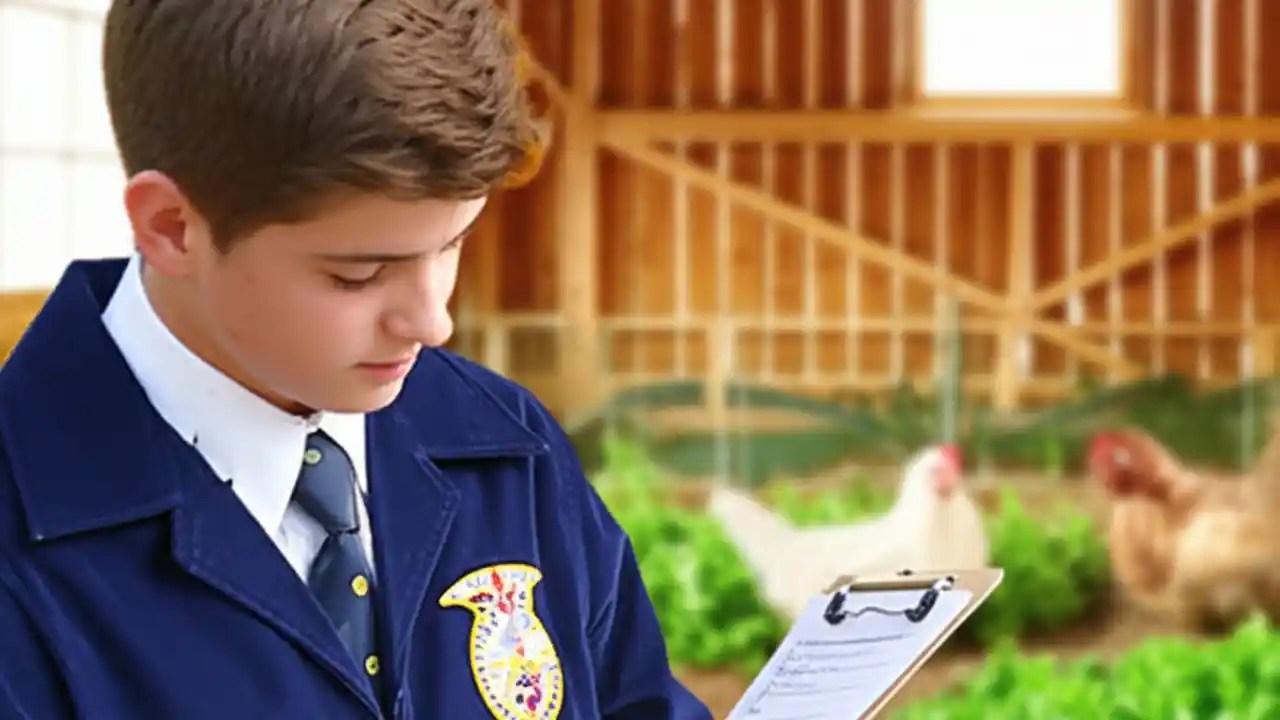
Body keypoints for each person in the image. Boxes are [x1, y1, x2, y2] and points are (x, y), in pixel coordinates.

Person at [0, 2, 713, 718]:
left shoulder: (507, 448)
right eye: (359, 274)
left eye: (453, 244)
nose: (433, 323)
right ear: (172, 227)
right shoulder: (20, 563)